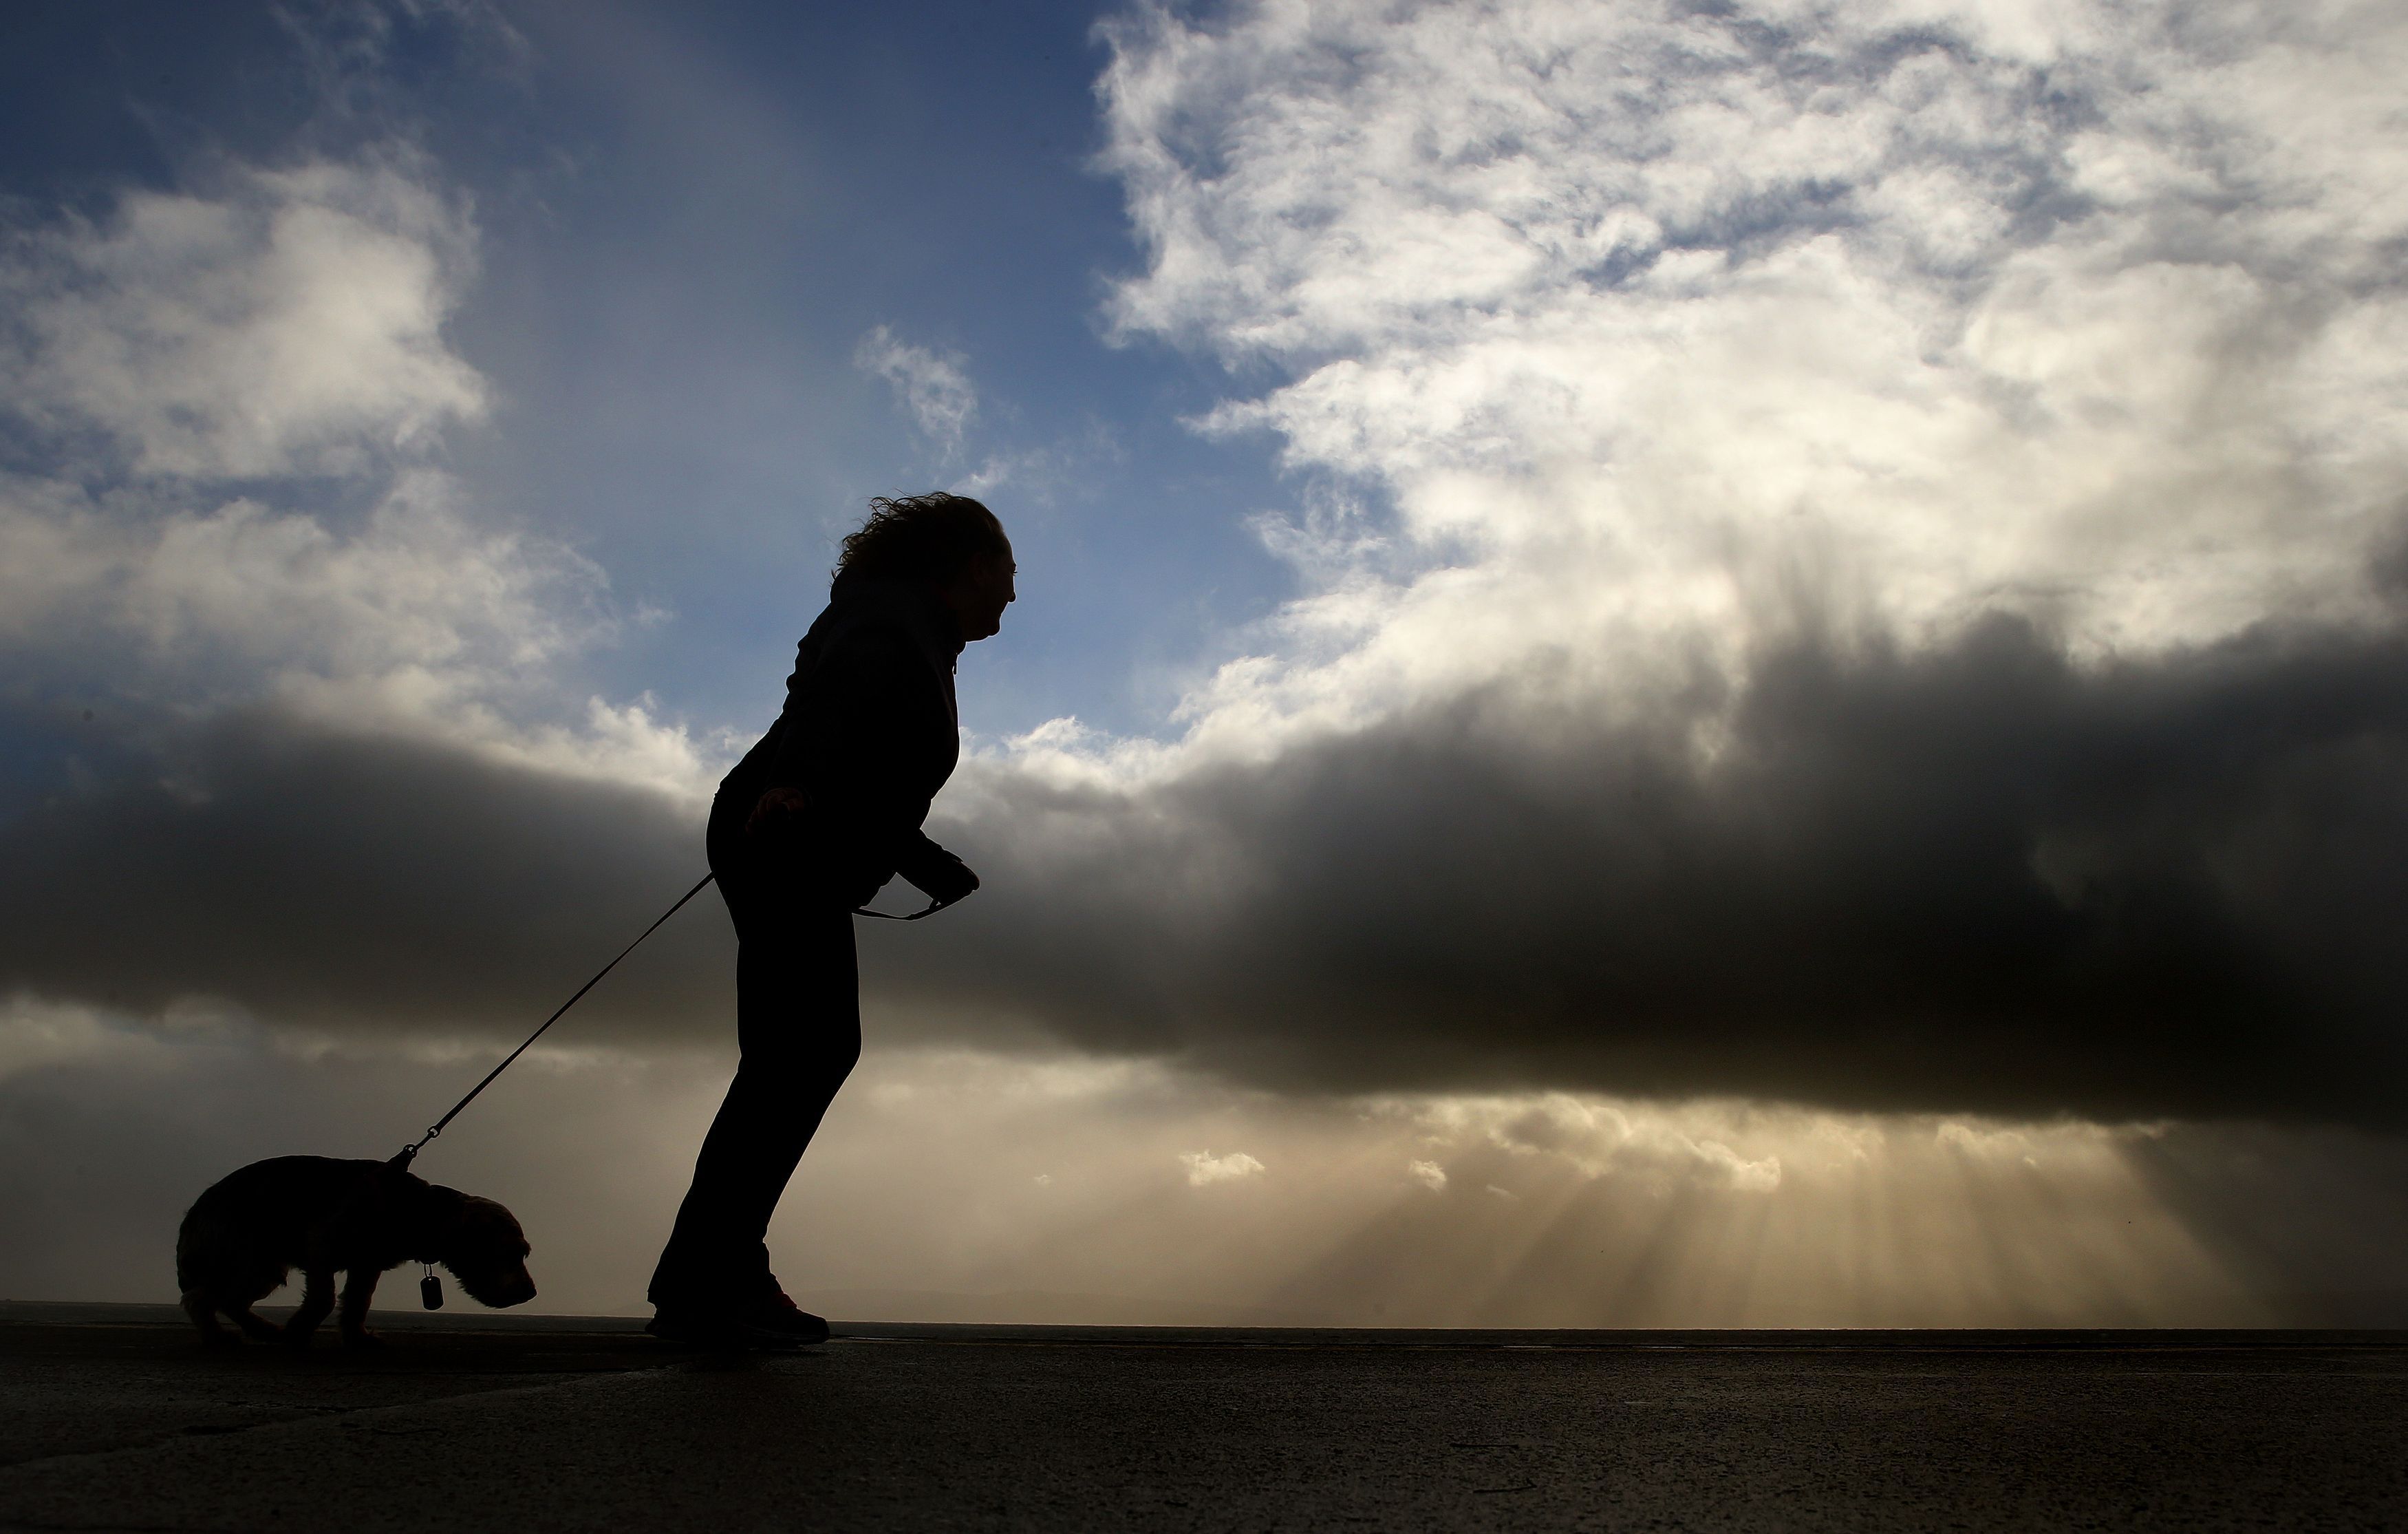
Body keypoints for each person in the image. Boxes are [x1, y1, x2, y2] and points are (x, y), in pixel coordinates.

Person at [647, 492, 1015, 1347]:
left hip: (796, 828)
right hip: (780, 831)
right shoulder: (887, 621)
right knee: (799, 1055)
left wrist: (922, 861)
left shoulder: (914, 630)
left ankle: (716, 1270)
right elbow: (826, 702)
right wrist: (793, 785)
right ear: (968, 566)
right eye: (1006, 571)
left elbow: (869, 766)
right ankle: (708, 1280)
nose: (1010, 593)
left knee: (799, 1056)